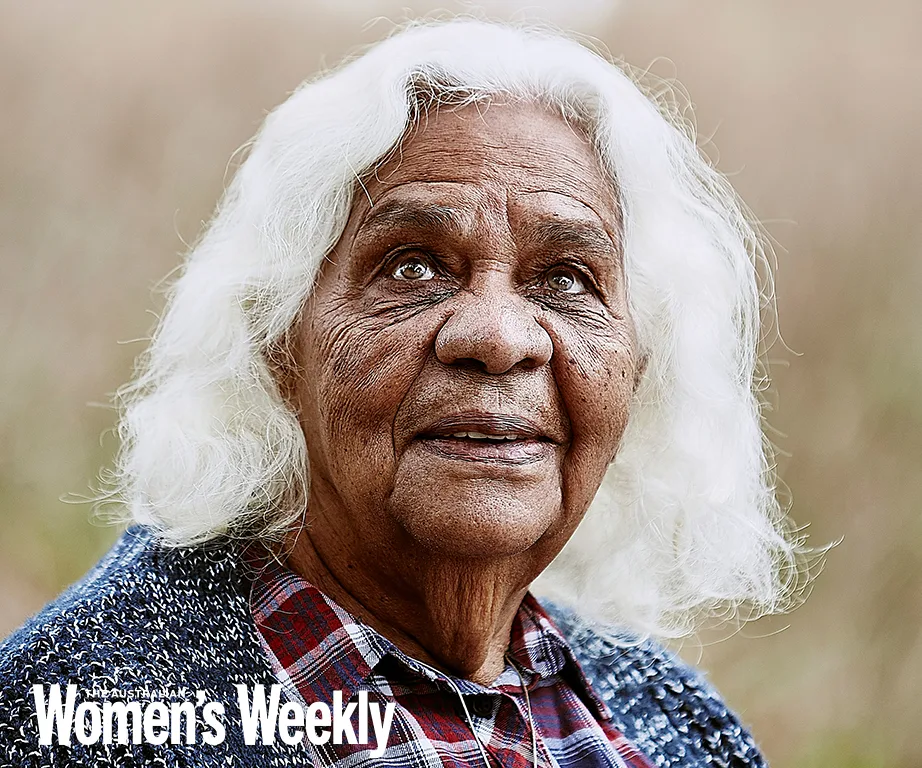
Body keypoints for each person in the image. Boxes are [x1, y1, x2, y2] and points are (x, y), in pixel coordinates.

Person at [0, 19, 802, 767]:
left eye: (565, 279)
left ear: (638, 368)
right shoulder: (88, 713)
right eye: (413, 266)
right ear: (276, 338)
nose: (498, 336)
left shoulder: (680, 724)